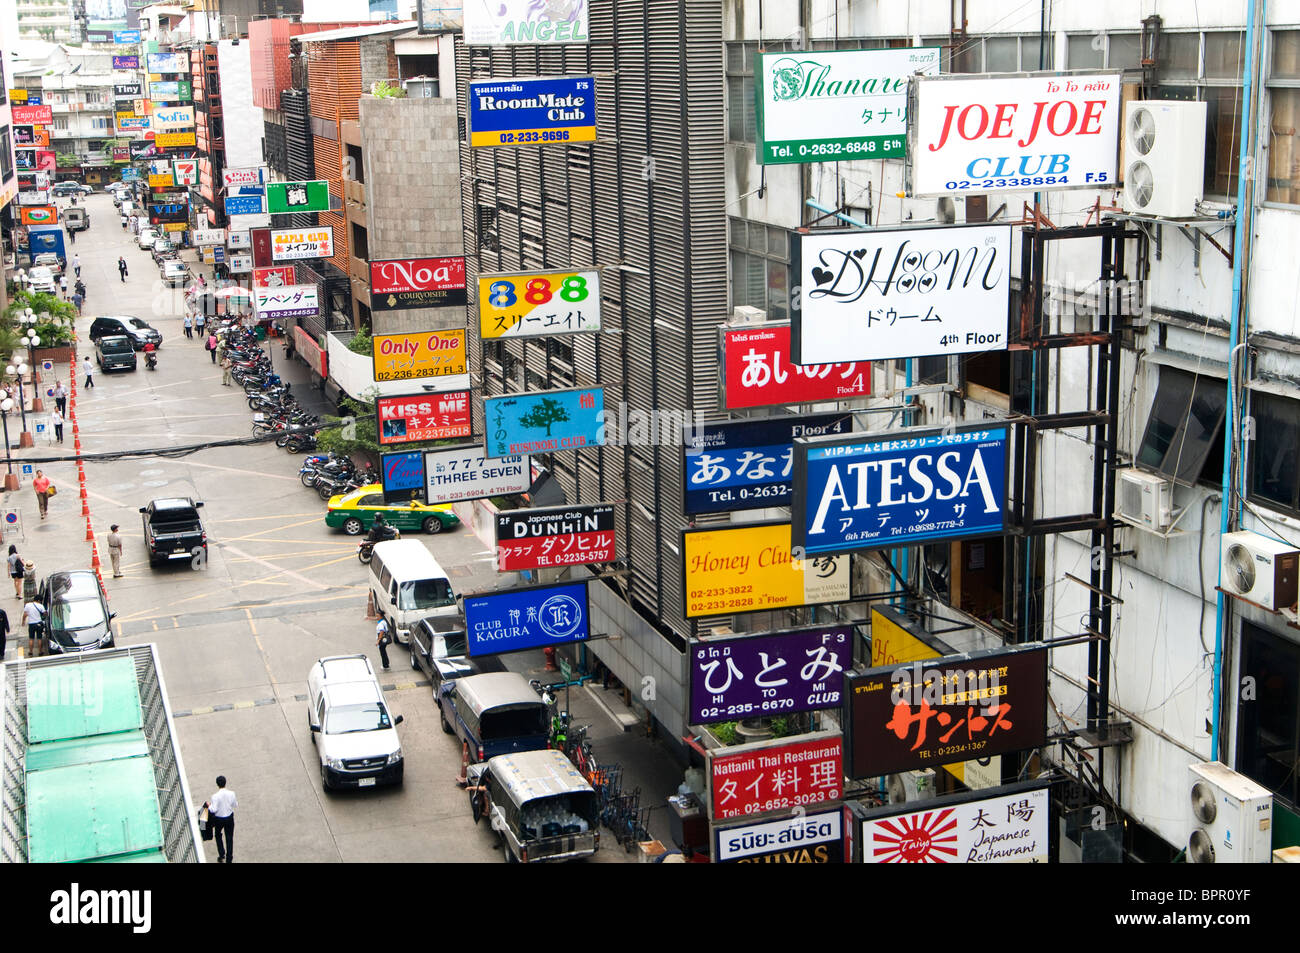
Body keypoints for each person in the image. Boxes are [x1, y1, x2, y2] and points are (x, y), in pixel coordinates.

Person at [204, 776, 237, 863]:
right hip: (229, 818)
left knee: (218, 835)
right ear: (225, 783)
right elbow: (235, 805)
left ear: (217, 784)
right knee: (229, 838)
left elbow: (213, 809)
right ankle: (229, 858)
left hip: (219, 819)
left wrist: (208, 805)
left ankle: (222, 853)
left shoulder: (215, 796)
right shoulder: (232, 793)